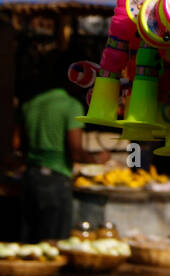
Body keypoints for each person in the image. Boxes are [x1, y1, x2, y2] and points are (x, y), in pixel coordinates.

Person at [16, 56, 106, 241]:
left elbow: (17, 145)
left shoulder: (31, 104)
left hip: (30, 178)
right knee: (54, 243)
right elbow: (76, 151)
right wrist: (98, 159)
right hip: (56, 181)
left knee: (29, 242)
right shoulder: (71, 106)